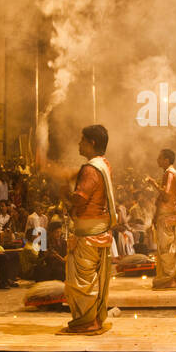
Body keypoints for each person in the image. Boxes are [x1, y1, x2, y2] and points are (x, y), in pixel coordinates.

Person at [62, 124, 117, 334]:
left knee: (81, 283)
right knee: (94, 279)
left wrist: (65, 194)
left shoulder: (91, 168)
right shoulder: (104, 164)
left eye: (81, 140)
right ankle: (93, 319)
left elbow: (80, 199)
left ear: (91, 143)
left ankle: (87, 320)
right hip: (99, 229)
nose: (78, 144)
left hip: (88, 232)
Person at [146, 148, 176, 290]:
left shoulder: (169, 173)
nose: (157, 160)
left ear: (166, 160)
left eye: (160, 158)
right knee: (168, 248)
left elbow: (166, 195)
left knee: (166, 249)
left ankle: (169, 279)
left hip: (166, 216)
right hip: (169, 215)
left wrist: (153, 183)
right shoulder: (172, 173)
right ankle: (169, 278)